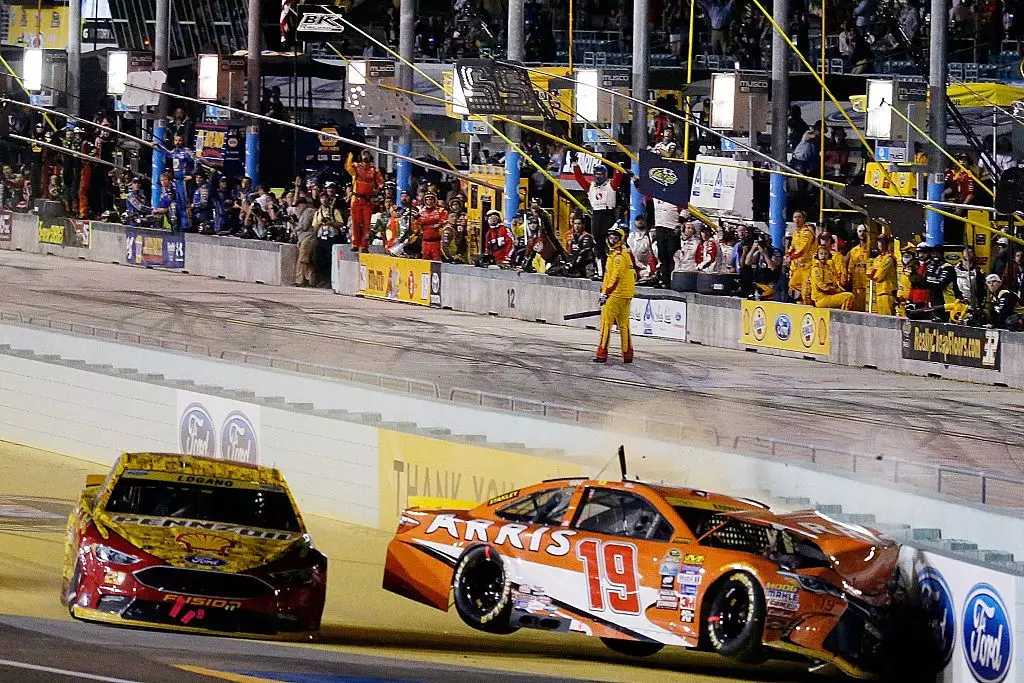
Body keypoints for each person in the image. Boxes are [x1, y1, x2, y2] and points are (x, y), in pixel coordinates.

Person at [573, 160, 624, 273]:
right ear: (594, 175)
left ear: (605, 174)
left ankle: (612, 269)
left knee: (610, 242)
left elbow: (618, 178)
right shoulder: (590, 186)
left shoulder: (611, 185)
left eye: (601, 174)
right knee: (597, 244)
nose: (599, 176)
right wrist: (575, 164)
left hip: (608, 215)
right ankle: (600, 271)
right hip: (596, 216)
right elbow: (579, 178)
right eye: (597, 174)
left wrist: (619, 166)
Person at [594, 226, 636, 364]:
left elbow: (615, 277)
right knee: (624, 325)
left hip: (616, 294)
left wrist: (606, 293)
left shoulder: (618, 257)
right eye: (610, 237)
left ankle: (601, 353)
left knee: (606, 324)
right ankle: (628, 354)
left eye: (615, 238)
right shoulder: (624, 254)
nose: (611, 240)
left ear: (620, 239)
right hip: (626, 295)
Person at [345, 150, 385, 252]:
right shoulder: (356, 166)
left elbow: (381, 182)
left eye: (367, 154)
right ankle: (355, 244)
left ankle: (364, 245)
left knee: (367, 224)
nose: (366, 156)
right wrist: (350, 155)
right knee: (356, 222)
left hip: (368, 200)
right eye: (364, 154)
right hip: (356, 199)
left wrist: (377, 190)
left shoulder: (374, 170)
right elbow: (348, 167)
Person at [810, 246, 855, 310]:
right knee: (849, 296)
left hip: (829, 296)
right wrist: (835, 290)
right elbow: (821, 286)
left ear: (829, 255)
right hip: (821, 298)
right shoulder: (816, 269)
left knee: (848, 295)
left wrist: (840, 290)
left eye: (825, 254)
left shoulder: (829, 268)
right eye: (821, 254)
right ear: (817, 255)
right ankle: (843, 317)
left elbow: (835, 283)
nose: (823, 256)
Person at [786, 211, 816, 302]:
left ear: (803, 219)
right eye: (795, 217)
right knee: (793, 284)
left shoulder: (807, 232)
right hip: (800, 266)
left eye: (799, 217)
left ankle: (808, 306)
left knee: (805, 291)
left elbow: (803, 249)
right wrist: (788, 254)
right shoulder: (795, 233)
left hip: (809, 266)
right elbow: (792, 247)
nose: (796, 219)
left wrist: (791, 257)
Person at [167, 134, 195, 230]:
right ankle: (178, 224)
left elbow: (197, 161)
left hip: (184, 181)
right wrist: (157, 145)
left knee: (184, 203)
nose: (177, 142)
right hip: (176, 181)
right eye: (176, 140)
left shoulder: (187, 151)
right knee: (177, 202)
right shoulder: (174, 152)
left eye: (179, 140)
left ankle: (186, 225)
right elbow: (166, 153)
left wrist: (192, 175)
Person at [924, 244, 957, 321]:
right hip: (933, 301)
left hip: (947, 302)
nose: (935, 255)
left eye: (937, 253)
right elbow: (925, 281)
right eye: (933, 253)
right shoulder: (930, 267)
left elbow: (941, 285)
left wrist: (924, 283)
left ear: (942, 254)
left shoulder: (948, 267)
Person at [868, 234, 898, 315]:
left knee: (888, 320)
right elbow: (868, 273)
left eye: (883, 241)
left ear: (887, 243)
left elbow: (878, 277)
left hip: (887, 293)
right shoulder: (877, 259)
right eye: (879, 241)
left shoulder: (889, 258)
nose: (881, 243)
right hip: (879, 292)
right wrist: (873, 273)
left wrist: (873, 273)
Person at [846, 224, 872, 311]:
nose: (862, 233)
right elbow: (851, 268)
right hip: (857, 285)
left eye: (864, 231)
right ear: (857, 233)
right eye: (860, 231)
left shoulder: (871, 250)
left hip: (869, 285)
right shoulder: (853, 251)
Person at [293, 196, 317, 287]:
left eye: (298, 205)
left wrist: (295, 226)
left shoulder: (309, 211)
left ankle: (299, 279)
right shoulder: (304, 212)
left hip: (308, 237)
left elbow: (304, 226)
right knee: (307, 261)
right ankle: (311, 279)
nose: (297, 208)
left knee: (302, 260)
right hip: (304, 238)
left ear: (304, 204)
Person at [417, 191, 448, 261]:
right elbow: (418, 224)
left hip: (437, 241)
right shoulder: (422, 212)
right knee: (425, 261)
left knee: (437, 260)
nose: (429, 201)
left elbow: (445, 221)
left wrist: (439, 225)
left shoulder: (441, 210)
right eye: (427, 199)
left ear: (435, 200)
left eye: (431, 199)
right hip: (425, 241)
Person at [627, 214, 657, 281]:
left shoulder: (651, 235)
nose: (640, 222)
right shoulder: (631, 236)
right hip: (636, 265)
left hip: (648, 265)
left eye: (642, 220)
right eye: (638, 220)